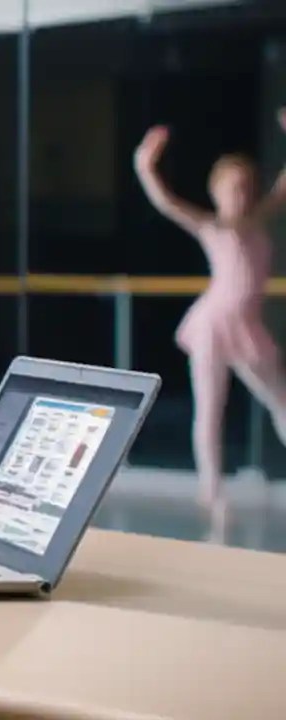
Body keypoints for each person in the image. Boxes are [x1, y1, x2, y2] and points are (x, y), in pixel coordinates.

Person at [133, 114, 286, 511]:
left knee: (279, 399)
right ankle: (211, 491)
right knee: (210, 406)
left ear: (252, 193)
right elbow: (166, 203)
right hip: (213, 325)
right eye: (230, 188)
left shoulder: (261, 220)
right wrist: (146, 165)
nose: (237, 195)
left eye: (244, 188)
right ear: (216, 193)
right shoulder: (211, 227)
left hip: (246, 328)